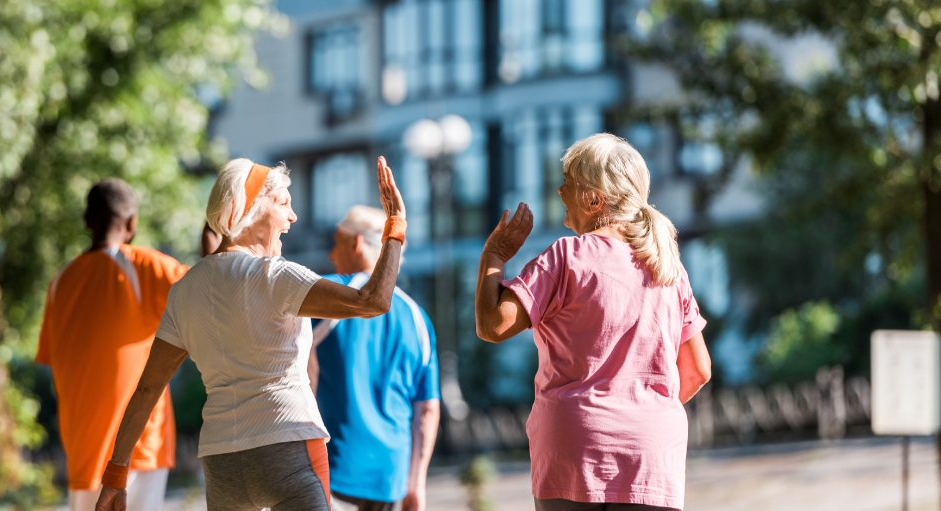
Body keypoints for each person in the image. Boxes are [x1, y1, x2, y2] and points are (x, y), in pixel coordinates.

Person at [95, 156, 408, 511]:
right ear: (253, 208)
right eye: (284, 203)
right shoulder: (276, 276)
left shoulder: (183, 291)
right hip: (289, 448)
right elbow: (372, 300)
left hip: (222, 463)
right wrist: (395, 226)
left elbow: (147, 389)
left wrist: (116, 477)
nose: (293, 217)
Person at [473, 133, 712, 511]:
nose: (559, 191)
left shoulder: (566, 257)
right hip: (652, 451)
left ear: (593, 199)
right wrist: (640, 416)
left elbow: (493, 325)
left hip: (574, 444)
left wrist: (494, 256)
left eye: (567, 182)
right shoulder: (669, 269)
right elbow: (697, 371)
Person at [36, 179, 187, 511]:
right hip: (139, 446)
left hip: (83, 451)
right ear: (132, 224)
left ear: (87, 221)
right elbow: (208, 292)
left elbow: (53, 360)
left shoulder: (60, 281)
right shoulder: (145, 265)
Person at [309, 205, 441, 511]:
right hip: (391, 478)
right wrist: (416, 484)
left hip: (332, 470)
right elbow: (427, 409)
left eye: (337, 243)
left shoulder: (326, 298)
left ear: (356, 243)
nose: (331, 255)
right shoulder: (418, 318)